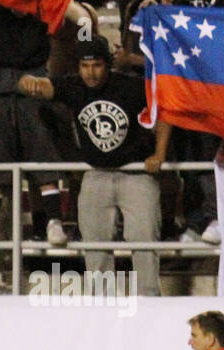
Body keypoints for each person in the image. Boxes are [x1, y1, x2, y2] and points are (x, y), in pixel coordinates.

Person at [18, 37, 163, 296]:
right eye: (85, 66)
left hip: (136, 173)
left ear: (107, 65)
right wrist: (29, 82)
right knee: (95, 246)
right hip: (96, 174)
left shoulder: (131, 86)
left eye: (96, 65)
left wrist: (160, 153)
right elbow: (45, 87)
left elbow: (164, 111)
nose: (91, 73)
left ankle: (149, 302)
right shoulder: (74, 86)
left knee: (144, 241)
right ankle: (102, 306)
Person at [0, 0, 86, 250]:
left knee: (42, 150)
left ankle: (53, 221)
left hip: (32, 80)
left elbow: (83, 17)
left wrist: (86, 49)